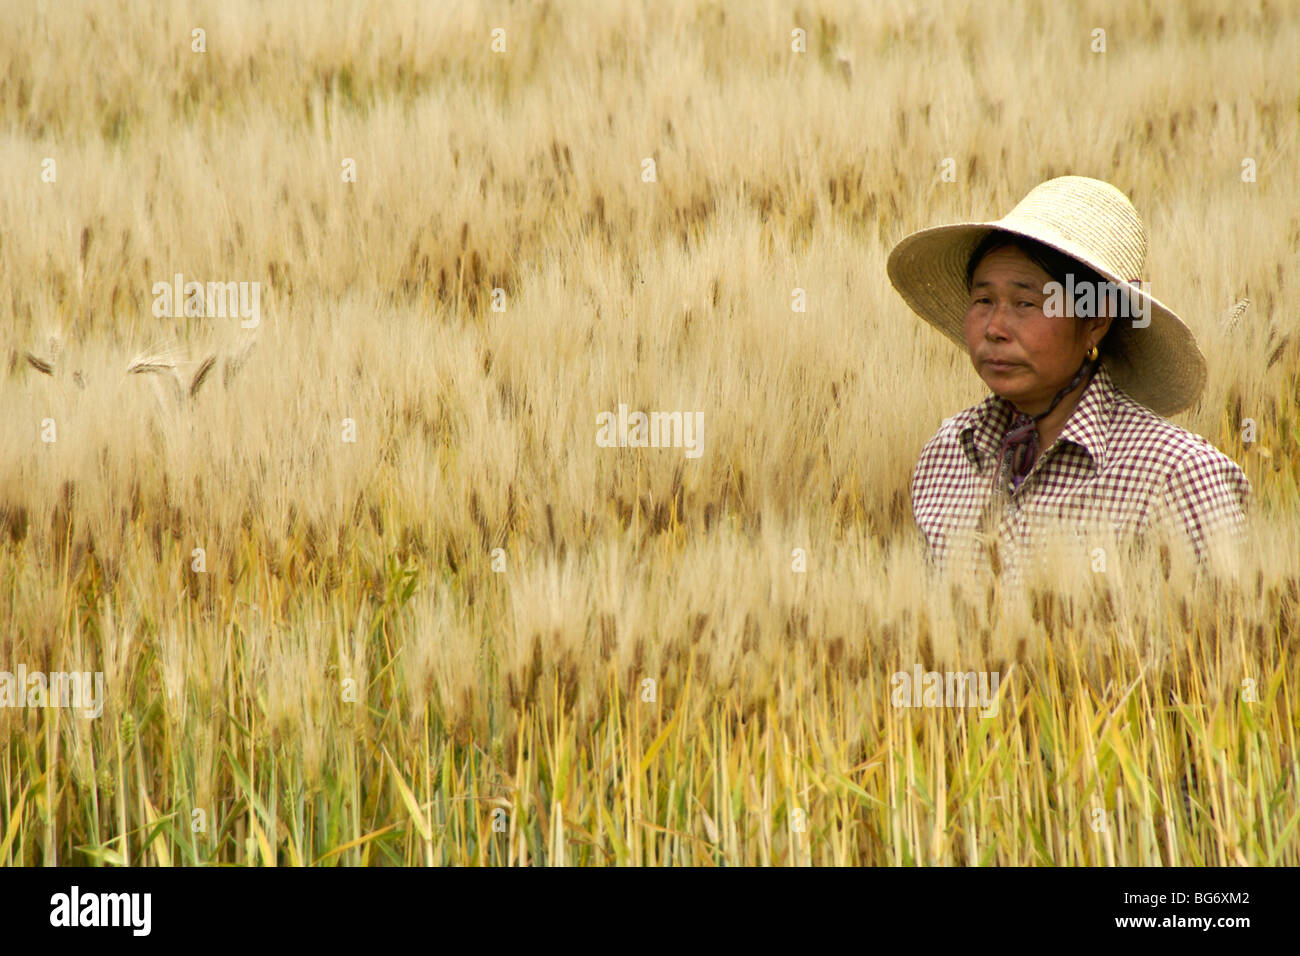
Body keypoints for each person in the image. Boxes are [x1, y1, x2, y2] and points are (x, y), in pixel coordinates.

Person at [887, 176, 1251, 582]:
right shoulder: (948, 453)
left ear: (1095, 321)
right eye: (983, 300)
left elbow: (1221, 636)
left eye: (1026, 302)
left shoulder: (1177, 475)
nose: (994, 328)